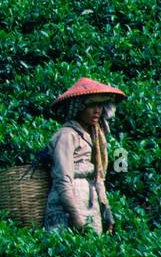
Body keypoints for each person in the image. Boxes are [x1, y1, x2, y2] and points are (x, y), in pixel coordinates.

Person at [43, 78, 125, 235]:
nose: (97, 111)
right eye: (91, 105)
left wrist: (105, 208)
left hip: (89, 199)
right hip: (68, 201)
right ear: (79, 108)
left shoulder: (94, 137)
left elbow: (98, 176)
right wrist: (75, 216)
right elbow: (63, 179)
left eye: (100, 105)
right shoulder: (66, 135)